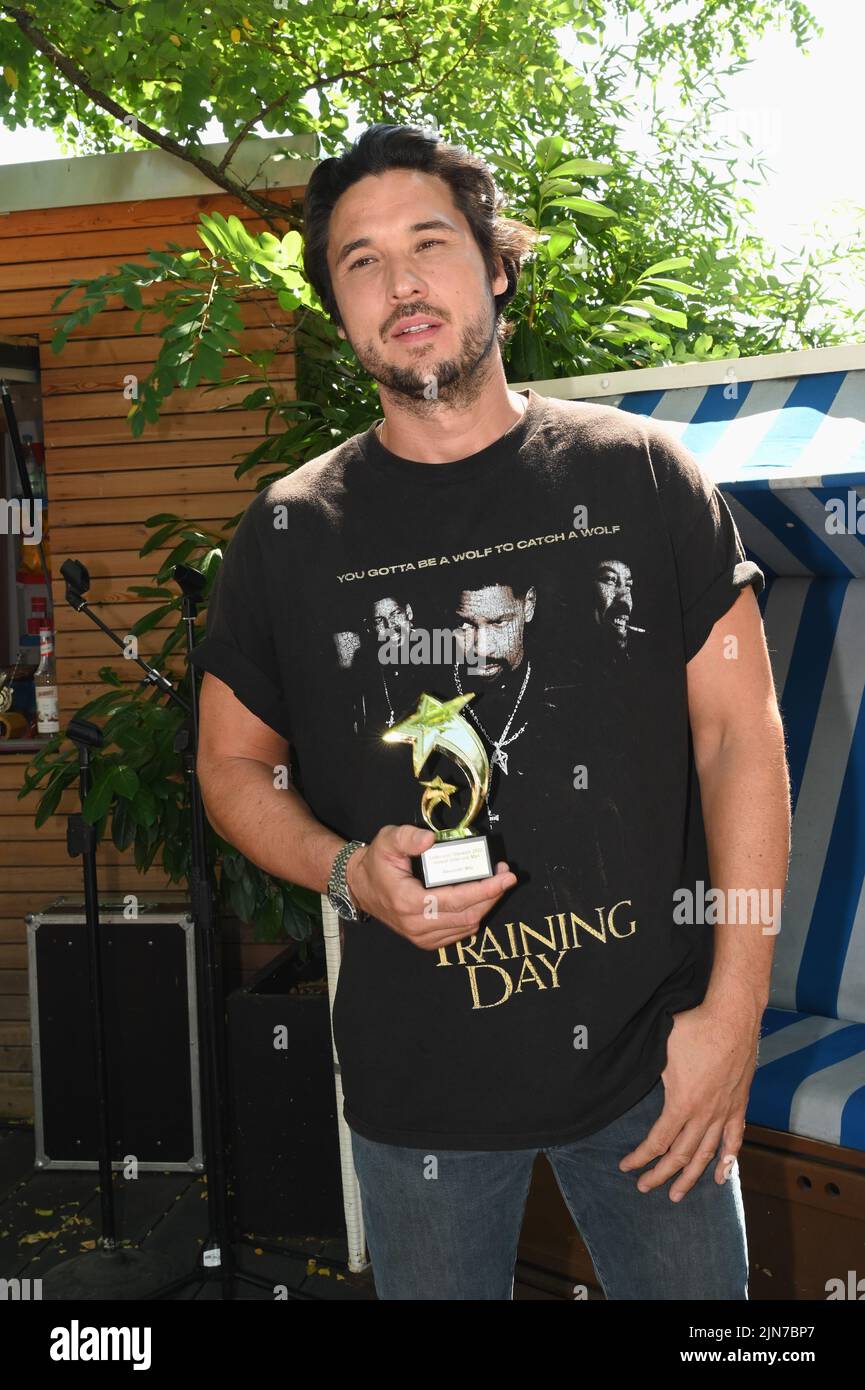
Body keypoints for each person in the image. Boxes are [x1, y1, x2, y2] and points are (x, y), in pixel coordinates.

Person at [190, 124, 791, 1301]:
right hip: (422, 1092)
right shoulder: (287, 532)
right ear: (336, 305)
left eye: (429, 243)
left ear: (495, 264)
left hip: (653, 1062)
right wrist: (348, 868)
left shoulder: (644, 477)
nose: (401, 281)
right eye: (359, 261)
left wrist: (732, 1012)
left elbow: (740, 741)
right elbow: (230, 766)